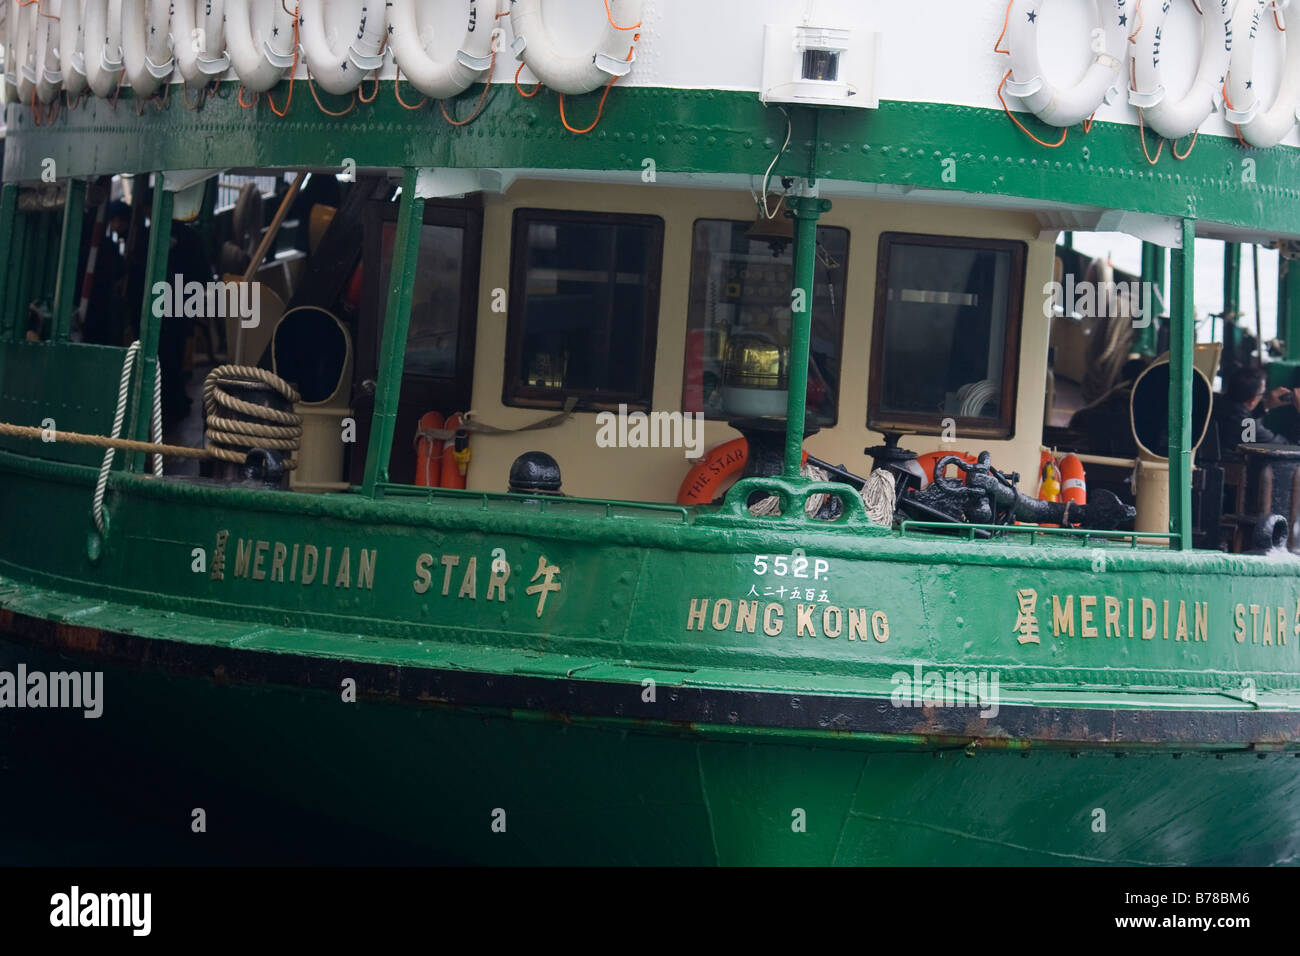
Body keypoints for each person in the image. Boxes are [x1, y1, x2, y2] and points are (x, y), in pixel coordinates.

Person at [1213, 366, 1300, 453]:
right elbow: (1290, 449)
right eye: (1262, 393)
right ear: (1252, 400)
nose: (1263, 397)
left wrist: (1264, 405)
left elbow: (1237, 414)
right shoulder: (1247, 426)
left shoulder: (1216, 400)